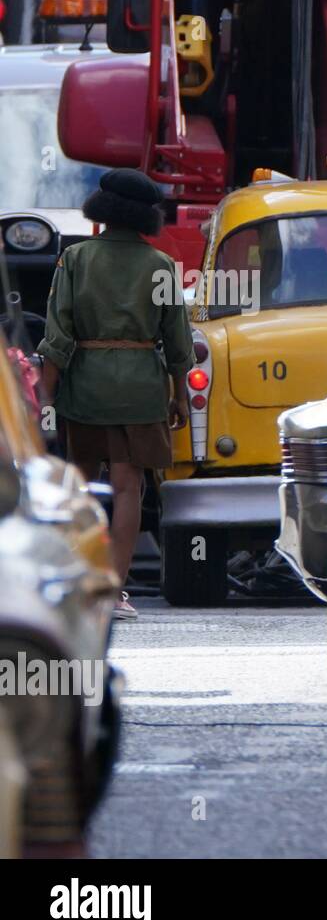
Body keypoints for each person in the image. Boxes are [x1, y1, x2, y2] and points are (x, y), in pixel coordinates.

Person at [36, 169, 195, 619]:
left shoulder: (76, 258)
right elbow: (178, 343)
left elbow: (57, 334)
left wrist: (46, 399)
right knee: (129, 488)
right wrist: (180, 398)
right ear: (146, 214)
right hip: (142, 388)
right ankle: (115, 592)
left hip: (85, 385)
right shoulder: (161, 265)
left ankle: (77, 583)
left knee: (80, 486)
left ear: (102, 209)